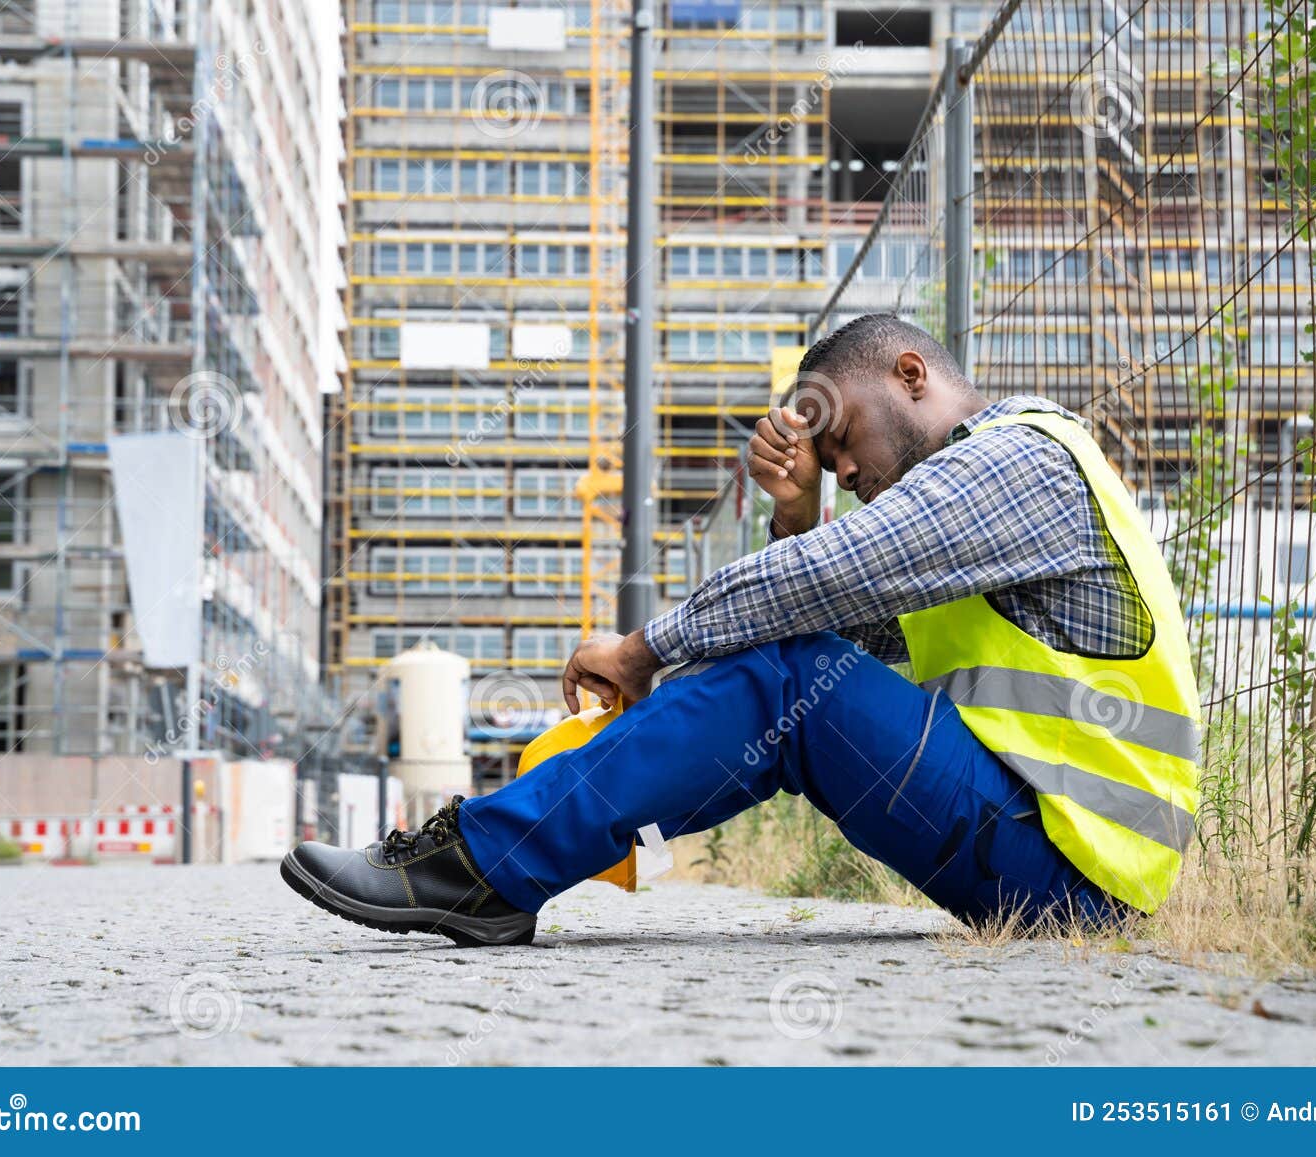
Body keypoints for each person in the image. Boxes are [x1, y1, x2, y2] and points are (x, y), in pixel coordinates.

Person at [281, 313, 1201, 947]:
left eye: (843, 449)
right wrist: (796, 516)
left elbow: (827, 593)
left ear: (909, 376)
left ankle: (485, 861)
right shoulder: (968, 494)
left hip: (1073, 873)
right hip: (1042, 849)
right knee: (796, 676)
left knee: (794, 679)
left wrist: (642, 650)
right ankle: (526, 854)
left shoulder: (1018, 460)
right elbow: (851, 625)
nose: (844, 474)